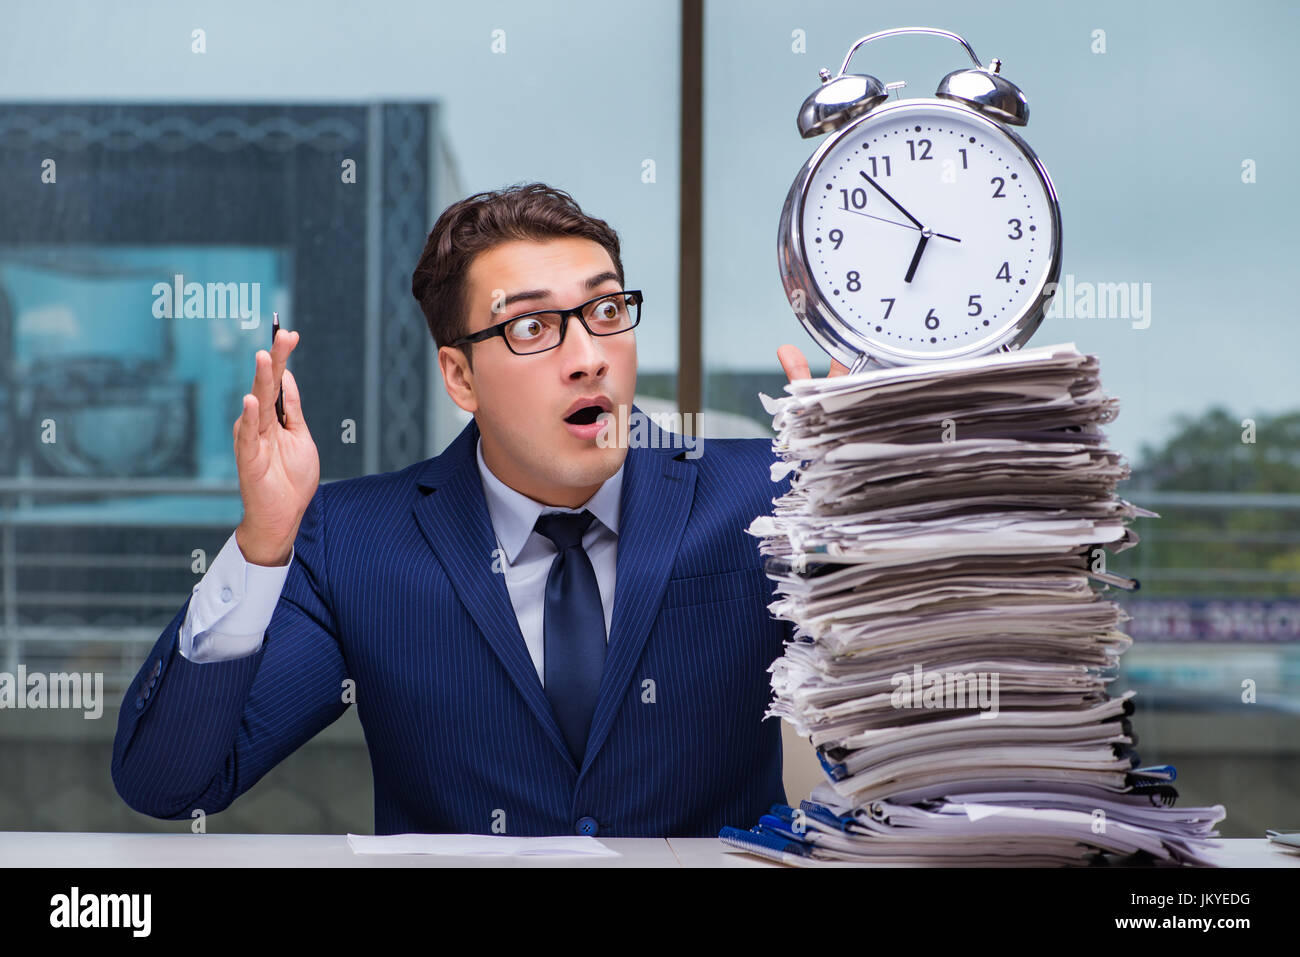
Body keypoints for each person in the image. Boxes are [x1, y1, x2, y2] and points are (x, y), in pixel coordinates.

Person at [111, 182, 846, 837]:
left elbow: (906, 741)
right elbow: (171, 782)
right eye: (531, 327)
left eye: (606, 309)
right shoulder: (354, 542)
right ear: (459, 376)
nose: (588, 354)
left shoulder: (772, 494)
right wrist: (262, 540)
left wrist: (875, 488)